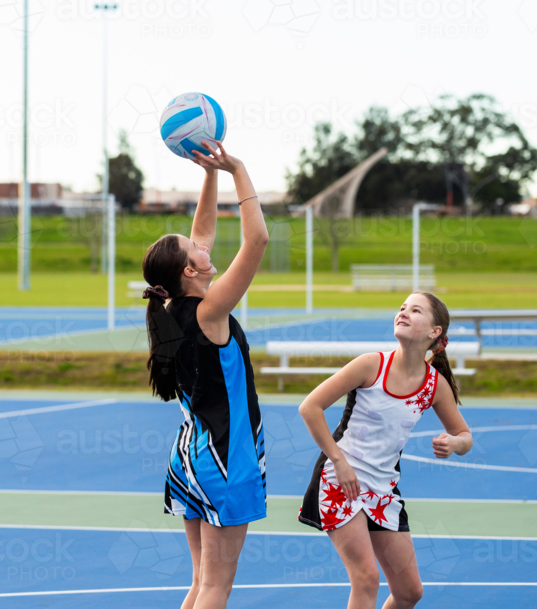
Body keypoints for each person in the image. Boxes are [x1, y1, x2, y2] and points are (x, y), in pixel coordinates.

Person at [141, 140, 268, 609]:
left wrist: (209, 175)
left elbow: (204, 230)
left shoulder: (173, 308)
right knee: (216, 588)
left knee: (199, 584)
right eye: (194, 248)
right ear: (191, 269)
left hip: (190, 458)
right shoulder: (211, 311)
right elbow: (257, 241)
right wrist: (238, 169)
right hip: (225, 458)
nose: (201, 243)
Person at [297, 291, 473, 609]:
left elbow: (464, 435)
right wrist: (338, 461)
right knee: (366, 579)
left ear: (435, 333)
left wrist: (455, 443)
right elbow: (310, 407)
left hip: (383, 489)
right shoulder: (371, 365)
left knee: (409, 592)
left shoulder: (435, 386)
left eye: (415, 310)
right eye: (402, 307)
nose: (404, 312)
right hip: (340, 480)